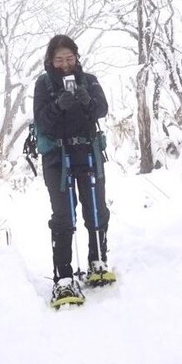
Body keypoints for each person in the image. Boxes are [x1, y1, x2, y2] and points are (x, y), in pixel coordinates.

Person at [32, 34, 114, 308]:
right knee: (64, 215)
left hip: (88, 152)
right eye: (59, 59)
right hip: (57, 157)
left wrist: (86, 100)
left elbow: (101, 109)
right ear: (50, 60)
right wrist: (58, 105)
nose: (65, 64)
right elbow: (42, 122)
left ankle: (97, 260)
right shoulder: (43, 84)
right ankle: (63, 277)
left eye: (69, 58)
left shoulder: (89, 80)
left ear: (76, 58)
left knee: (95, 208)